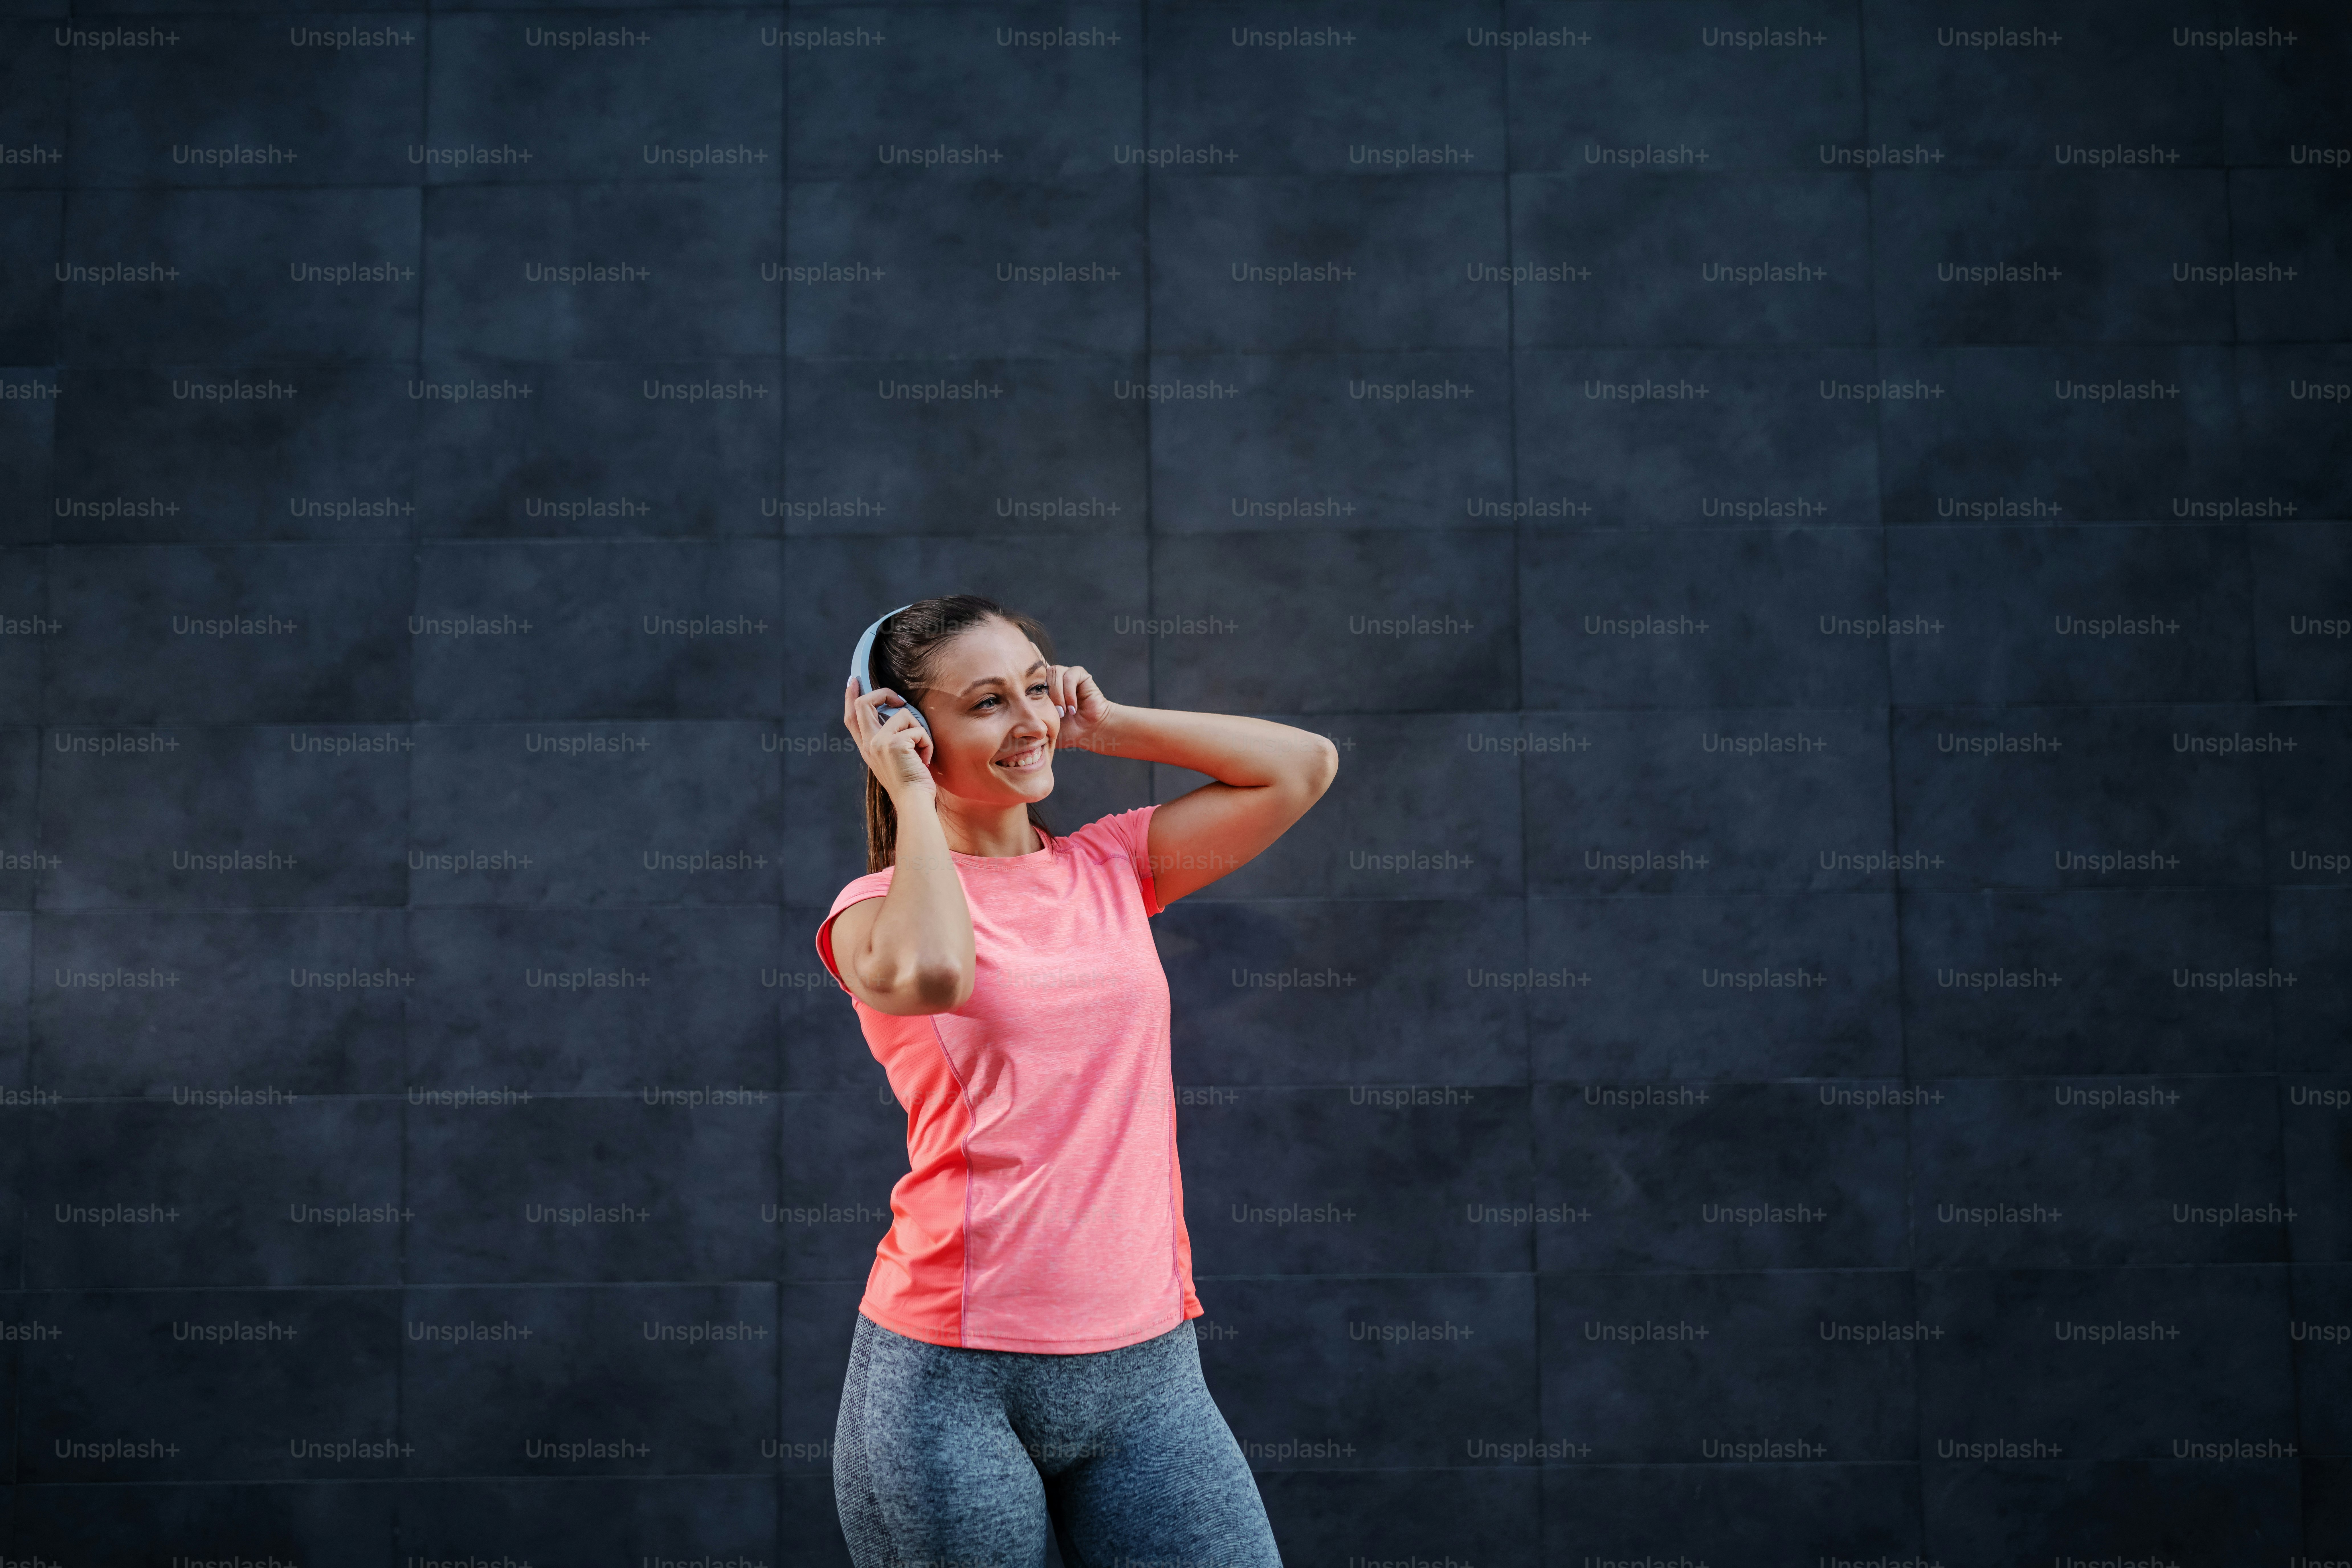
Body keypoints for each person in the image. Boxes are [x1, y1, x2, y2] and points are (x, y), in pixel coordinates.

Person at [814, 594, 1337, 1568]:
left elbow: (1303, 766)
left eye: (1037, 688)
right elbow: (937, 976)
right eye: (986, 704)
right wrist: (912, 799)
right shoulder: (871, 914)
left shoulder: (1115, 865)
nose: (1030, 720)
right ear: (909, 732)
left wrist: (1108, 724)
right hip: (952, 1383)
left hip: (1149, 1371)